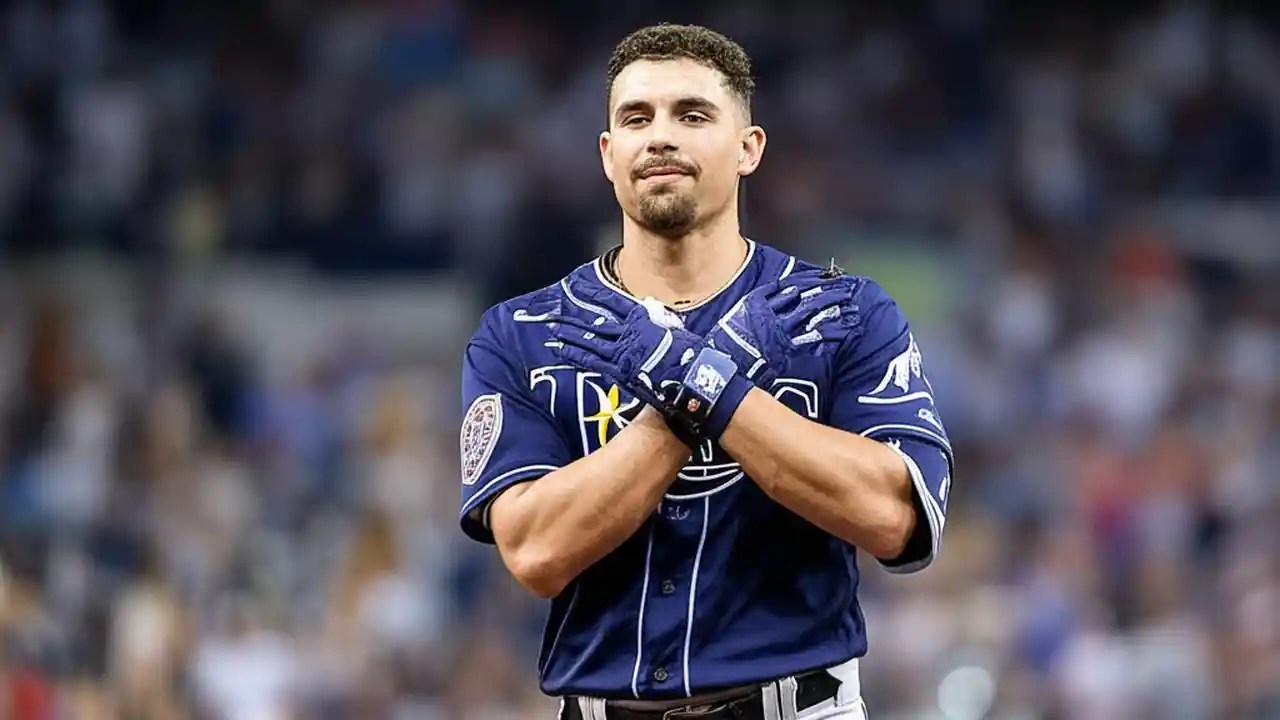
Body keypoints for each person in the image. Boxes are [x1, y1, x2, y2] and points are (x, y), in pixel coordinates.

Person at [458, 23, 954, 720]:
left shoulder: (841, 312)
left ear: (749, 147)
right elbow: (536, 552)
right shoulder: (524, 333)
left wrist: (699, 379)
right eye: (637, 118)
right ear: (608, 154)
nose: (660, 137)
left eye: (692, 115)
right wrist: (696, 390)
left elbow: (895, 518)